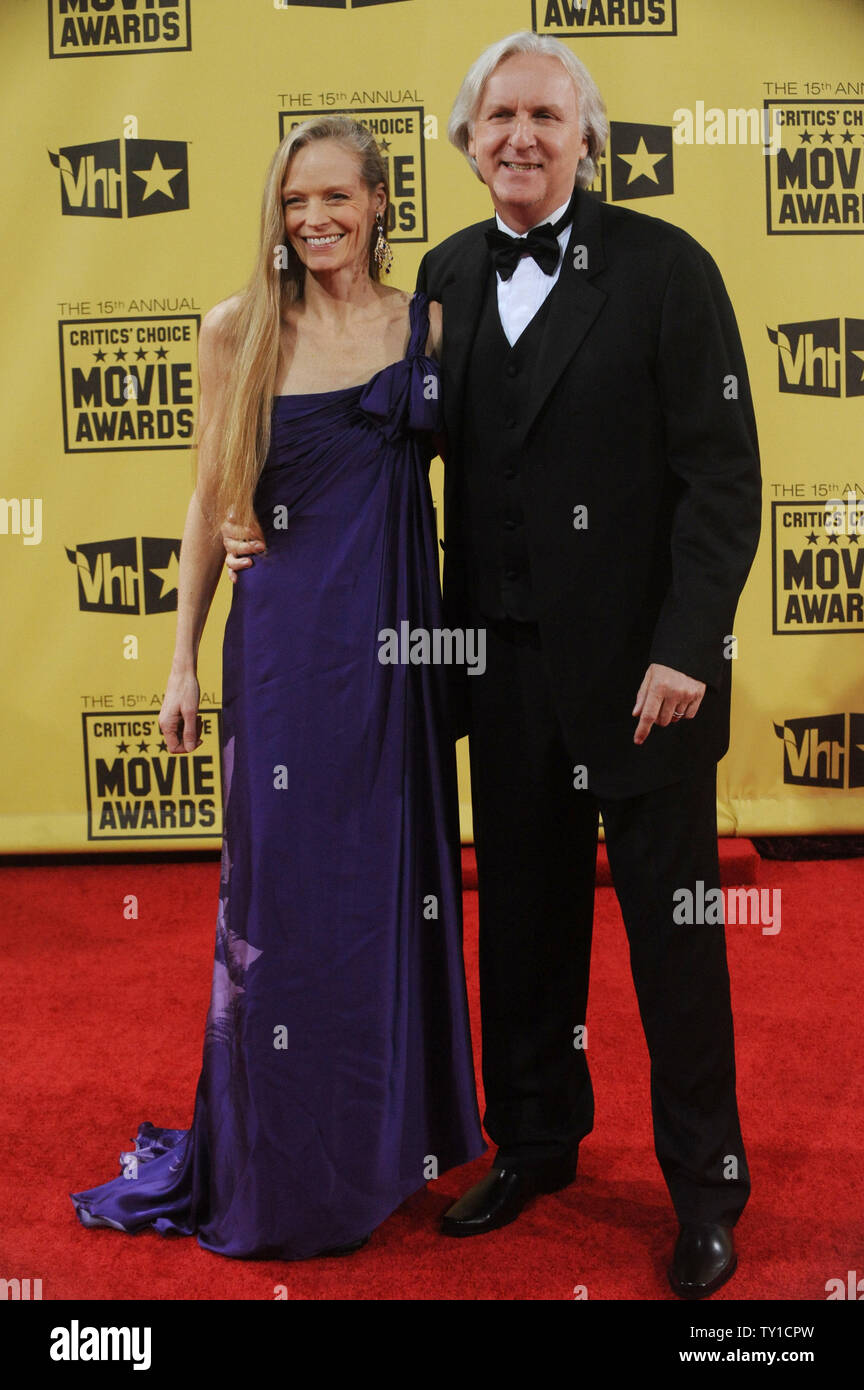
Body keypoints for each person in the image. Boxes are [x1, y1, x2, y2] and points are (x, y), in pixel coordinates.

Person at [69, 116, 485, 1261]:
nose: (314, 220)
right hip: (288, 658)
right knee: (289, 908)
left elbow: (496, 477)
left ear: (381, 204)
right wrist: (180, 658)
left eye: (336, 199)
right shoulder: (237, 331)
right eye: (296, 200)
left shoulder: (432, 327)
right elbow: (210, 501)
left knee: (387, 902)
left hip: (397, 661)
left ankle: (383, 1143)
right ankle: (283, 1163)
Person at [417, 31, 761, 1300]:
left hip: (645, 679)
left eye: (544, 117)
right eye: (497, 115)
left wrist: (687, 648)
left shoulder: (670, 271)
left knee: (675, 943)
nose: (519, 136)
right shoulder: (445, 278)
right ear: (466, 140)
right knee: (527, 936)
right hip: (503, 676)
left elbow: (721, 480)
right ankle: (538, 1146)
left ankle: (706, 1187)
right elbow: (390, 467)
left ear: (586, 139)